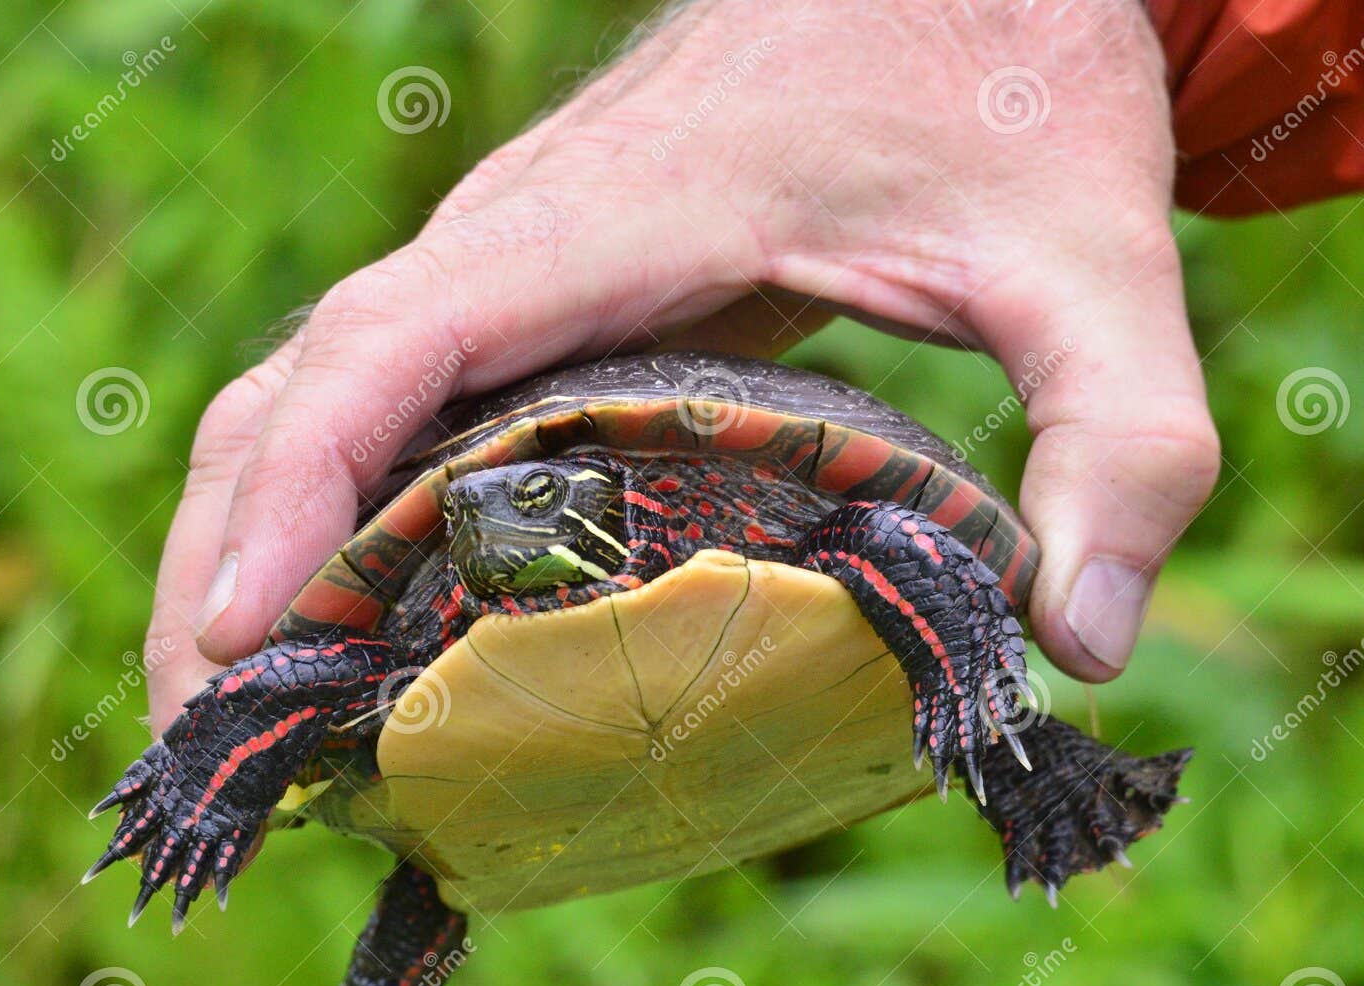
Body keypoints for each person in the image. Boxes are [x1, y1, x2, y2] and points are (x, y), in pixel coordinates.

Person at [145, 0, 1364, 734]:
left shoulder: (733, 509)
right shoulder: (459, 569)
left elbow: (886, 538)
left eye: (527, 494)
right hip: (505, 789)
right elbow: (316, 666)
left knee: (897, 561)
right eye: (484, 508)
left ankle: (1024, 769)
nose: (485, 514)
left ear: (602, 500)